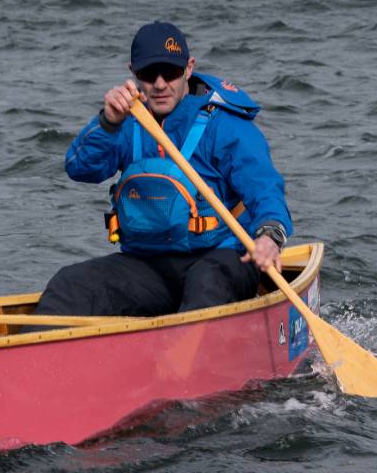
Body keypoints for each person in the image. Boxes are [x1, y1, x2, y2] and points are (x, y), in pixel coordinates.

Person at [34, 21, 292, 318]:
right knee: (70, 283)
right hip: (149, 265)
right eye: (148, 73)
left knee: (206, 282)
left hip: (222, 259)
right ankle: (30, 360)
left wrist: (270, 235)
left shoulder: (226, 124)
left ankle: (180, 358)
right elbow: (80, 168)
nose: (159, 84)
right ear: (133, 73)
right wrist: (108, 123)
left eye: (169, 72)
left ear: (189, 68)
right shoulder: (125, 121)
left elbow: (265, 188)